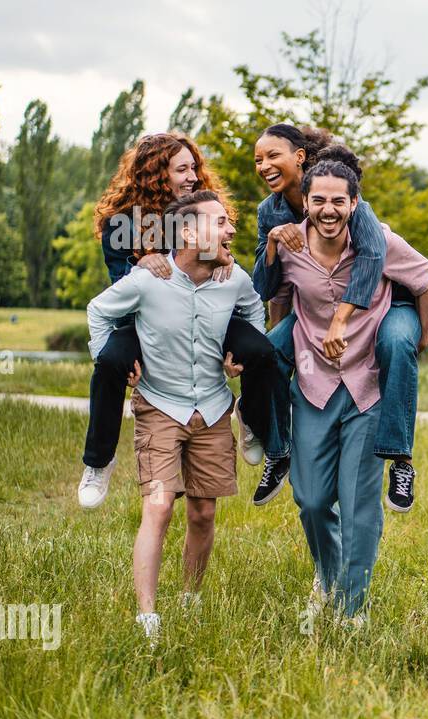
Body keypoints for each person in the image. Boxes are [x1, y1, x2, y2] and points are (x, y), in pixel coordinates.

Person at [86, 190, 264, 644]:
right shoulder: (149, 280)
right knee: (160, 505)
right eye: (220, 222)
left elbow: (254, 312)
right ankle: (147, 616)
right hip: (160, 406)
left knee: (203, 512)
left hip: (212, 406)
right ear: (187, 232)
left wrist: (239, 353)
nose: (231, 230)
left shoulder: (234, 279)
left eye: (230, 222)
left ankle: (191, 599)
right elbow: (98, 311)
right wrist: (110, 360)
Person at [78, 133, 279, 509]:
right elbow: (119, 293)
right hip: (145, 316)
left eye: (194, 167)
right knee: (108, 361)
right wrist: (139, 264)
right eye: (181, 169)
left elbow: (225, 260)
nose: (192, 176)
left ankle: (250, 415)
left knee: (259, 349)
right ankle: (98, 461)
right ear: (156, 174)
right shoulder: (123, 223)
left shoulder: (206, 209)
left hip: (208, 308)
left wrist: (223, 263)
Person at [272, 160, 428, 625]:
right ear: (306, 202)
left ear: (354, 203)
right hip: (313, 383)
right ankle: (328, 578)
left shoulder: (378, 241)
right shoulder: (289, 244)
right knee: (313, 500)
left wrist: (418, 337)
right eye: (318, 200)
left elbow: (425, 276)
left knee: (359, 502)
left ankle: (352, 607)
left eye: (338, 201)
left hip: (366, 385)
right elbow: (279, 298)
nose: (328, 209)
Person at [251, 125, 428, 511]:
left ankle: (401, 459)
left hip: (385, 302)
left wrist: (423, 336)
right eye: (258, 159)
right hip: (317, 307)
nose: (264, 165)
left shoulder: (355, 206)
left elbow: (370, 260)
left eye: (272, 156)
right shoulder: (270, 211)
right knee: (264, 355)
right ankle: (278, 450)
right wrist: (278, 344)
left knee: (397, 343)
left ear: (299, 157)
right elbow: (274, 285)